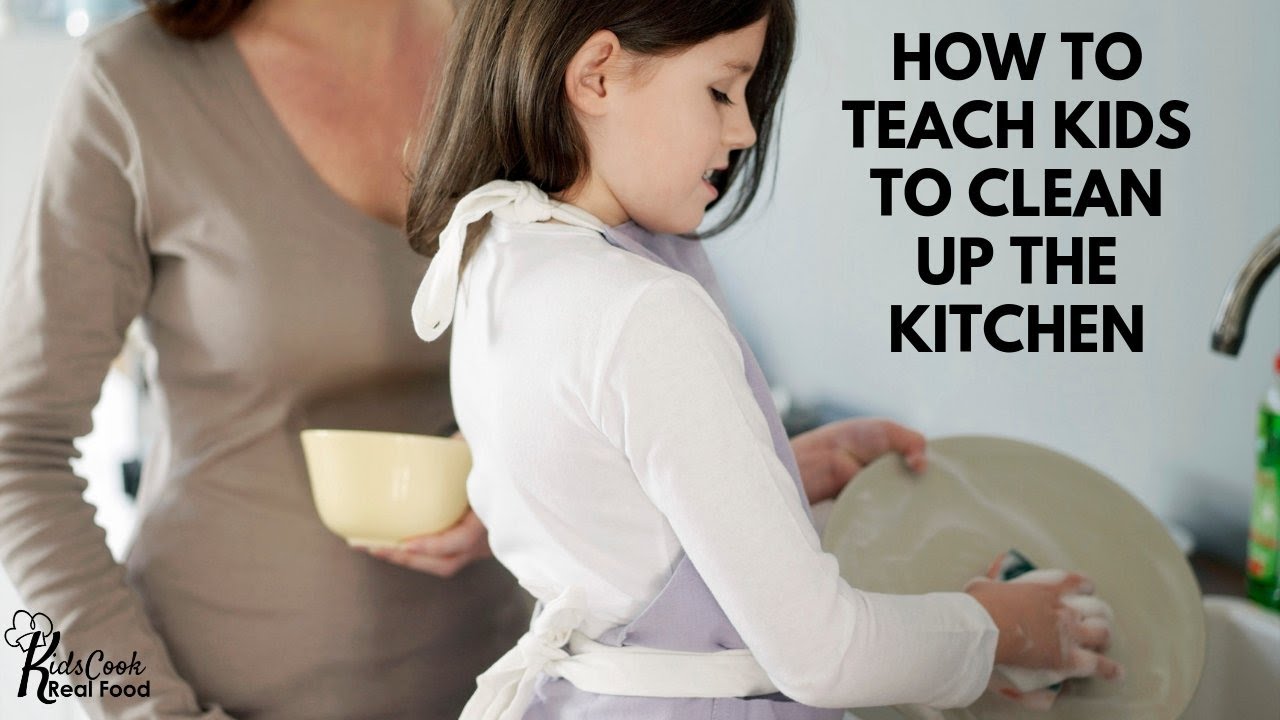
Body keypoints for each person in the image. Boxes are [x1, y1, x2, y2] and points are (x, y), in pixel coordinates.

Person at [404, 0, 1122, 718]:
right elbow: (824, 654)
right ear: (597, 76)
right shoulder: (642, 310)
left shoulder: (498, 254)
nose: (743, 130)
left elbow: (600, 512)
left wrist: (775, 471)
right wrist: (1000, 629)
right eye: (720, 90)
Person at [0, 2, 530, 718]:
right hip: (220, 694)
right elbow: (19, 446)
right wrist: (144, 711)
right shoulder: (132, 85)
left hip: (509, 691)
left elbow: (585, 369)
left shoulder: (521, 47)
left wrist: (515, 477)